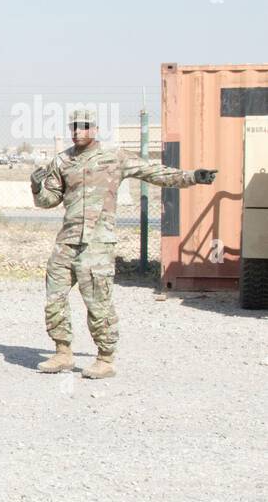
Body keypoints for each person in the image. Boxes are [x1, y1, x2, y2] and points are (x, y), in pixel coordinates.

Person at [31, 109, 217, 379]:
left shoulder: (114, 157)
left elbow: (155, 173)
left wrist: (192, 177)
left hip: (98, 242)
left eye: (84, 126)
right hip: (67, 241)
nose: (77, 131)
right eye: (74, 126)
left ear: (95, 129)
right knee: (54, 297)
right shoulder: (62, 161)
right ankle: (62, 352)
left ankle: (105, 358)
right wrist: (37, 188)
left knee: (98, 301)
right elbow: (48, 201)